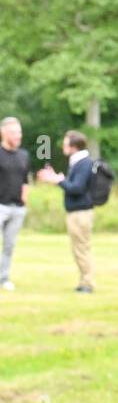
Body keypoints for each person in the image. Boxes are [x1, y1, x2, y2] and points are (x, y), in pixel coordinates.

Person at [38, 131, 96, 292]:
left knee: (82, 248)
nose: (63, 146)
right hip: (77, 212)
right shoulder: (77, 162)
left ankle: (87, 283)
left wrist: (58, 180)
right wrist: (59, 179)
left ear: (73, 146)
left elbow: (76, 188)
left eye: (65, 144)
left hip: (80, 213)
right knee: (78, 248)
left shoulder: (83, 163)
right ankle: (83, 281)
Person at [0, 116, 31, 292]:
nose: (18, 136)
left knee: (9, 245)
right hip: (0, 205)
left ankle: (4, 278)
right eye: (14, 132)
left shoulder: (23, 155)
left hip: (17, 208)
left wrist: (24, 201)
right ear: (3, 133)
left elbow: (26, 180)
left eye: (19, 132)